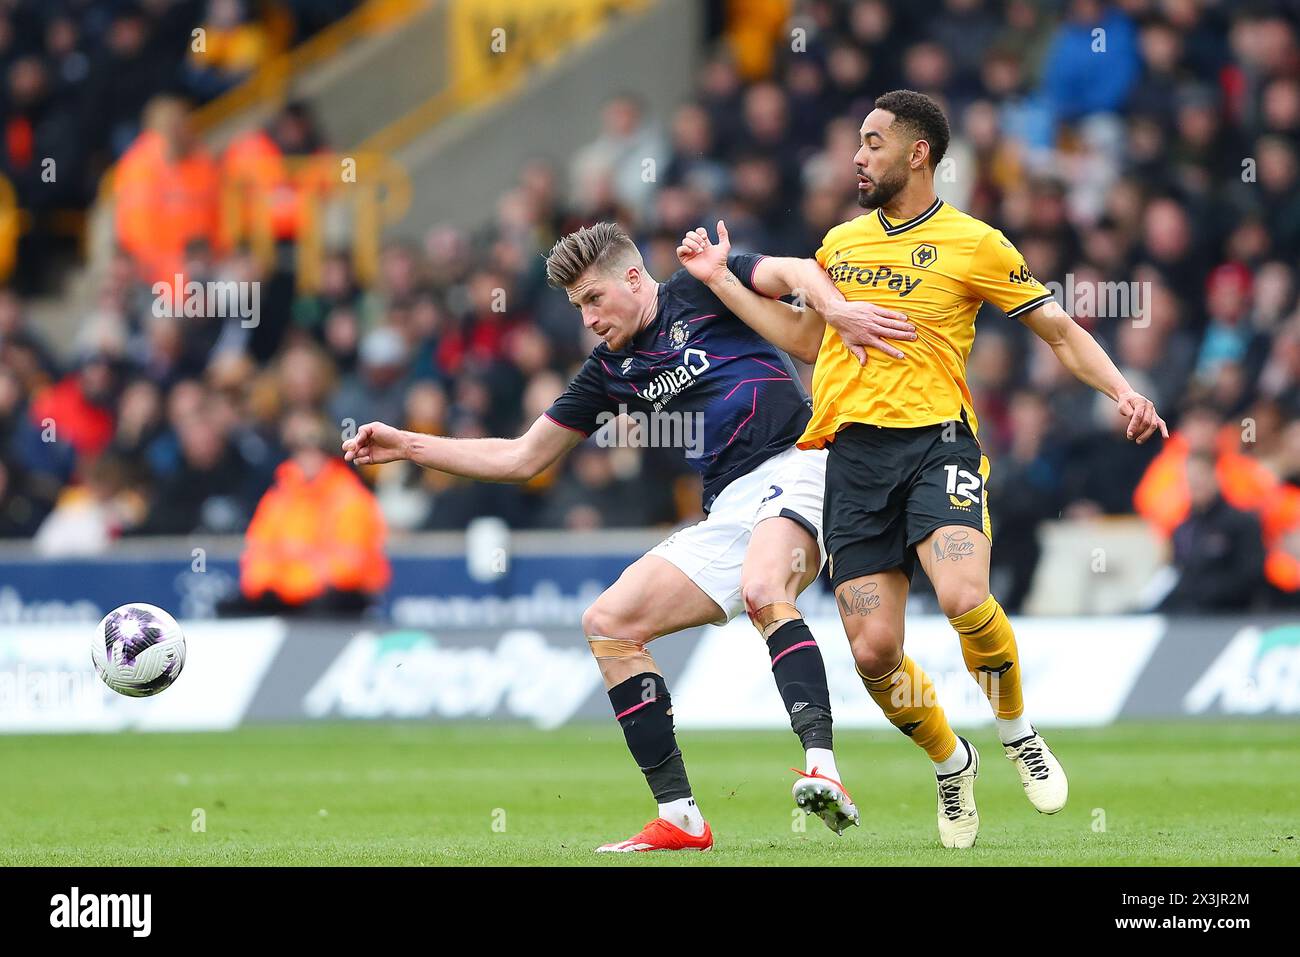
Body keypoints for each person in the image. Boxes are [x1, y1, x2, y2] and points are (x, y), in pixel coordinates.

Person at [676, 88, 1167, 848]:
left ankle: (1019, 730)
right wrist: (722, 280)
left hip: (937, 445)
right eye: (856, 142)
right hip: (850, 460)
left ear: (918, 153)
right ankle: (951, 759)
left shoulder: (976, 244)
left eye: (872, 142)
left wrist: (1124, 391)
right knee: (874, 651)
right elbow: (807, 342)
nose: (856, 156)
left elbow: (1058, 328)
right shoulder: (840, 244)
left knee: (967, 595)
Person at [343, 222, 912, 852]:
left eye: (593, 299)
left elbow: (799, 271)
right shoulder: (607, 371)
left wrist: (838, 312)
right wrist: (407, 445)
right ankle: (681, 817)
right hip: (728, 506)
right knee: (608, 622)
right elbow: (522, 458)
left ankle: (824, 770)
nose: (586, 318)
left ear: (635, 278)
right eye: (577, 306)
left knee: (763, 586)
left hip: (803, 460)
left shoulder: (703, 287)